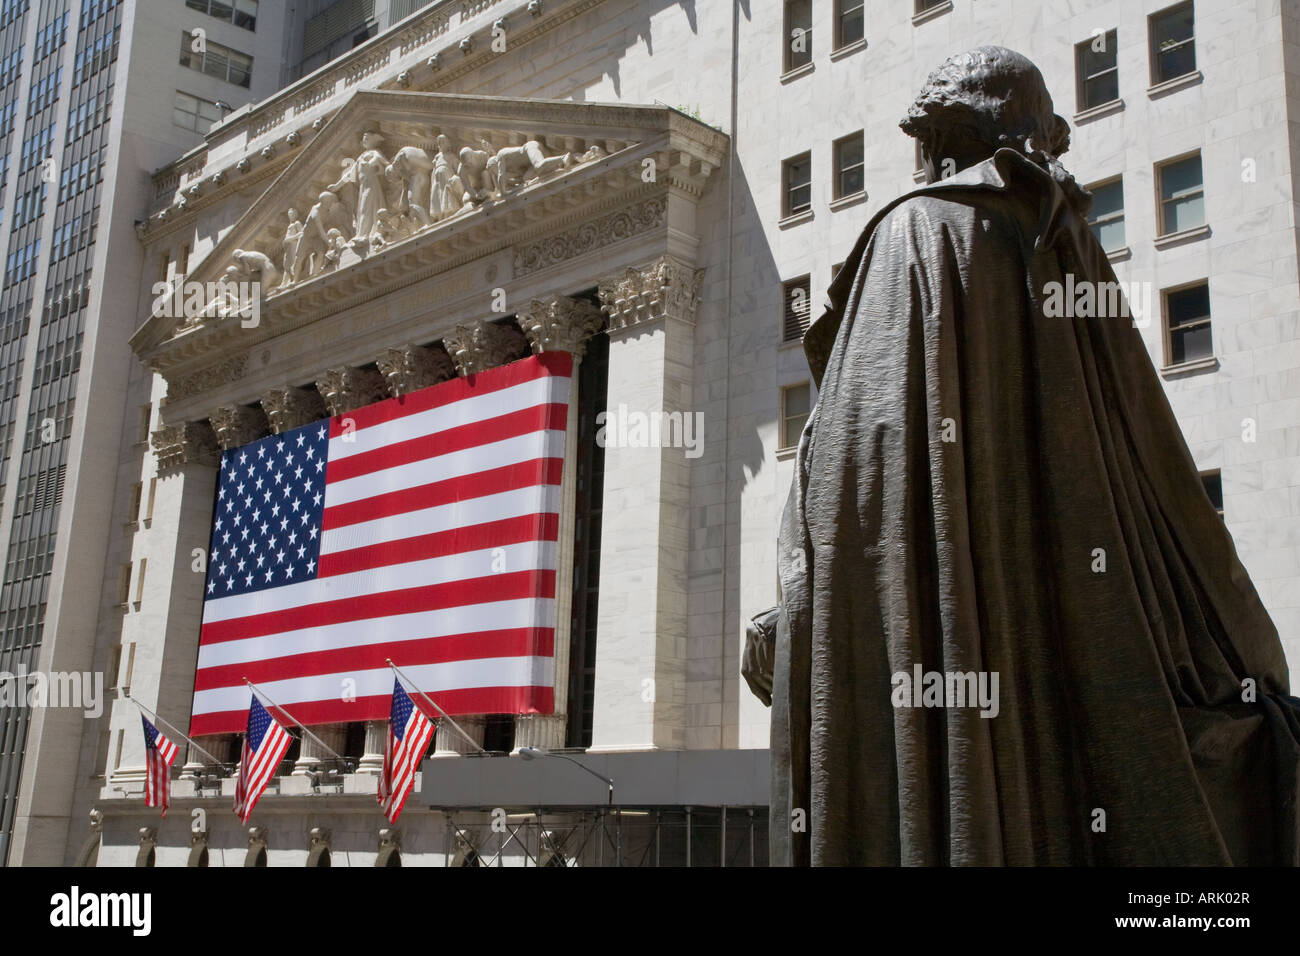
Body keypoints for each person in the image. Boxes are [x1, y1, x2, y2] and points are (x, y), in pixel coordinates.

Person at [755, 46, 1300, 866]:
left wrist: (797, 610)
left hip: (945, 671)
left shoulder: (913, 236)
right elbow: (1156, 465)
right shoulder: (1061, 238)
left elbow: (845, 482)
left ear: (943, 136)